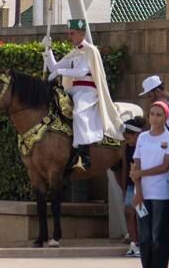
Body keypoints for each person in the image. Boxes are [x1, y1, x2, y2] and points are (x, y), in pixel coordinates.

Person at [44, 19, 119, 173]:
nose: (69, 36)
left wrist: (60, 72)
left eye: (72, 33)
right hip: (74, 90)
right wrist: (48, 49)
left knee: (79, 112)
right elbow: (54, 67)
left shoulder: (90, 50)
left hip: (88, 91)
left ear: (81, 34)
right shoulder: (74, 52)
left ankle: (84, 155)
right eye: (69, 33)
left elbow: (81, 72)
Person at [130, 100, 169, 268]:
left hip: (161, 194)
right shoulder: (142, 138)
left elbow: (166, 166)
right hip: (144, 194)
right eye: (152, 114)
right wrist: (138, 189)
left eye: (159, 114)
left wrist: (142, 174)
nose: (155, 117)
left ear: (166, 117)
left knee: (159, 236)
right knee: (145, 236)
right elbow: (136, 164)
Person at [121, 119, 144, 259]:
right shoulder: (126, 147)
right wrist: (124, 187)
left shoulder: (144, 144)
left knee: (142, 214)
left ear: (136, 135)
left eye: (129, 137)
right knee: (129, 212)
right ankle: (134, 243)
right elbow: (124, 167)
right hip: (131, 184)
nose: (127, 139)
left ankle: (144, 243)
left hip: (143, 185)